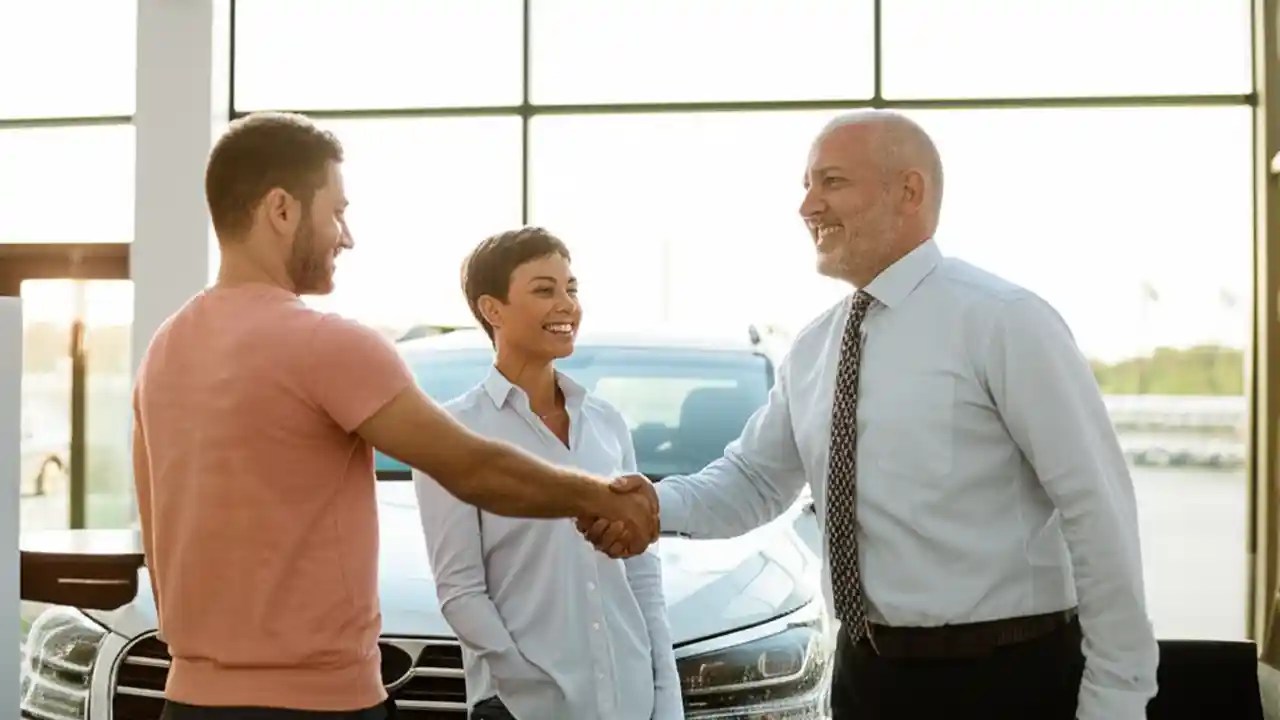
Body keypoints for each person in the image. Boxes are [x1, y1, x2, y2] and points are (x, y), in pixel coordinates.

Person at [582, 109, 1159, 719]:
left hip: (1005, 679)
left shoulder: (1005, 321)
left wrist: (1118, 694)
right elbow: (753, 482)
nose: (808, 206)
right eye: (807, 185)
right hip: (865, 678)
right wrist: (646, 503)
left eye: (831, 182)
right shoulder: (815, 347)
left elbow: (1096, 506)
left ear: (909, 191)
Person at [131, 112, 659, 720]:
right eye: (336, 212)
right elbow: (472, 467)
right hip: (317, 708)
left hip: (189, 702)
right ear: (281, 209)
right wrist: (604, 496)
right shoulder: (327, 345)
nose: (346, 236)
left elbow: (157, 531)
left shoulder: (165, 349)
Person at [413, 227, 683, 720]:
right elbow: (460, 592)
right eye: (544, 290)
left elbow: (643, 572)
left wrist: (666, 696)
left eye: (571, 289)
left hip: (629, 700)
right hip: (519, 708)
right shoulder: (452, 434)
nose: (567, 305)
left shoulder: (607, 424)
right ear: (492, 309)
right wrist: (530, 692)